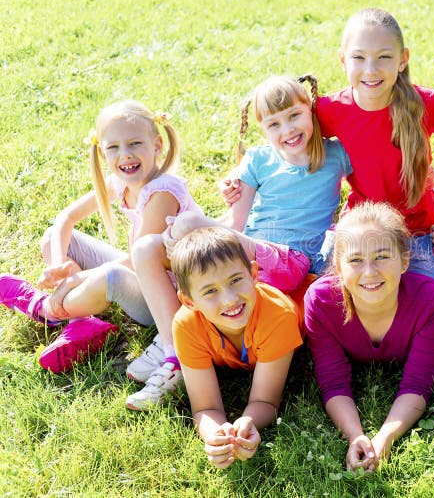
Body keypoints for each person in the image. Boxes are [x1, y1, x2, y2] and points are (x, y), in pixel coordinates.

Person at [129, 74, 346, 410]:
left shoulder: (336, 154)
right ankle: (174, 352)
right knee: (145, 248)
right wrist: (208, 224)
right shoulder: (259, 160)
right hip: (245, 254)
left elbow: (372, 181)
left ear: (311, 109)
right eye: (273, 124)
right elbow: (235, 224)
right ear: (262, 129)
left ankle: (181, 248)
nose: (287, 130)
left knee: (187, 222)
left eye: (294, 116)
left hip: (291, 262)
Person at [0, 100, 200, 376]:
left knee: (112, 277)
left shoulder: (163, 192)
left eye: (135, 143)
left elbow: (138, 261)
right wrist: (59, 264)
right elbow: (66, 219)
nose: (125, 155)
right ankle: (84, 322)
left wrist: (75, 279)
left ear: (157, 145)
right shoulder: (120, 183)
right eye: (114, 148)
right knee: (52, 238)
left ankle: (46, 309)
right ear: (104, 155)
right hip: (141, 276)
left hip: (165, 297)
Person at [315, 8, 434, 283]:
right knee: (327, 290)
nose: (371, 70)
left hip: (420, 231)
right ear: (343, 60)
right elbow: (291, 145)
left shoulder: (426, 104)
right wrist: (245, 181)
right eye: (358, 57)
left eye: (384, 57)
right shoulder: (331, 110)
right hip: (362, 229)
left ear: (403, 60)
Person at [304, 201, 434, 472]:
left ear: (405, 260)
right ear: (338, 265)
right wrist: (355, 436)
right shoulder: (321, 301)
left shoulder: (431, 300)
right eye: (356, 260)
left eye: (382, 256)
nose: (370, 272)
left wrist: (384, 439)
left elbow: (418, 382)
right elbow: (333, 380)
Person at [170, 227, 301, 469]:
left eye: (235, 280)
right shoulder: (185, 325)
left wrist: (248, 423)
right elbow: (205, 407)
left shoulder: (278, 316)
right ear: (189, 302)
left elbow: (266, 402)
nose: (229, 299)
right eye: (210, 291)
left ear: (253, 274)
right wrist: (215, 435)